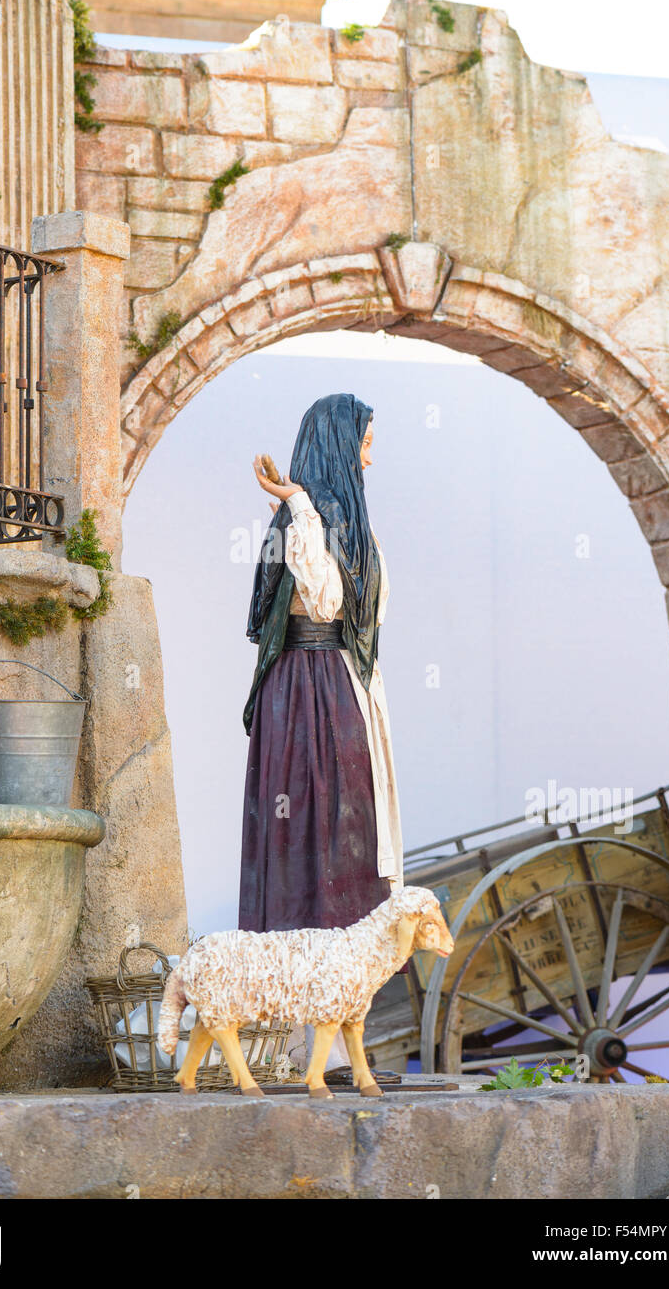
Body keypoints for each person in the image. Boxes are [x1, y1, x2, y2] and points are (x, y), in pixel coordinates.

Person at [238, 393, 403, 936]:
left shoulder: (344, 523)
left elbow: (371, 612)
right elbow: (325, 599)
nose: (368, 460)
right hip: (307, 688)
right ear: (339, 445)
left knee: (348, 819)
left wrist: (303, 513)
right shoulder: (307, 519)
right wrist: (301, 509)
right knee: (309, 819)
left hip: (338, 684)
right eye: (364, 446)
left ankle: (345, 968)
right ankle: (301, 965)